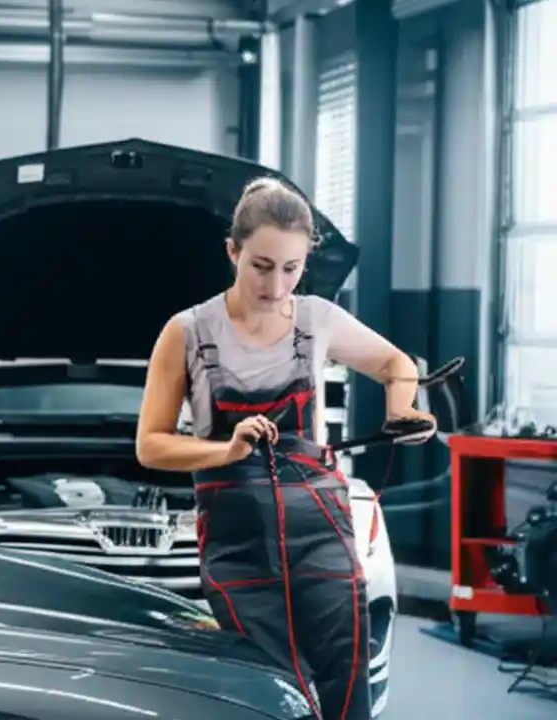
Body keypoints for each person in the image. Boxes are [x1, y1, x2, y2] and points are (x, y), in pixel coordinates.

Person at [135, 176, 437, 720]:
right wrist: (226, 451)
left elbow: (397, 365)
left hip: (321, 529)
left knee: (344, 674)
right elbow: (151, 446)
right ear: (233, 251)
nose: (277, 286)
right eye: (262, 266)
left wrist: (401, 411)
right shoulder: (187, 332)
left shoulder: (318, 320)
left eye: (291, 268)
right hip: (238, 541)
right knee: (271, 684)